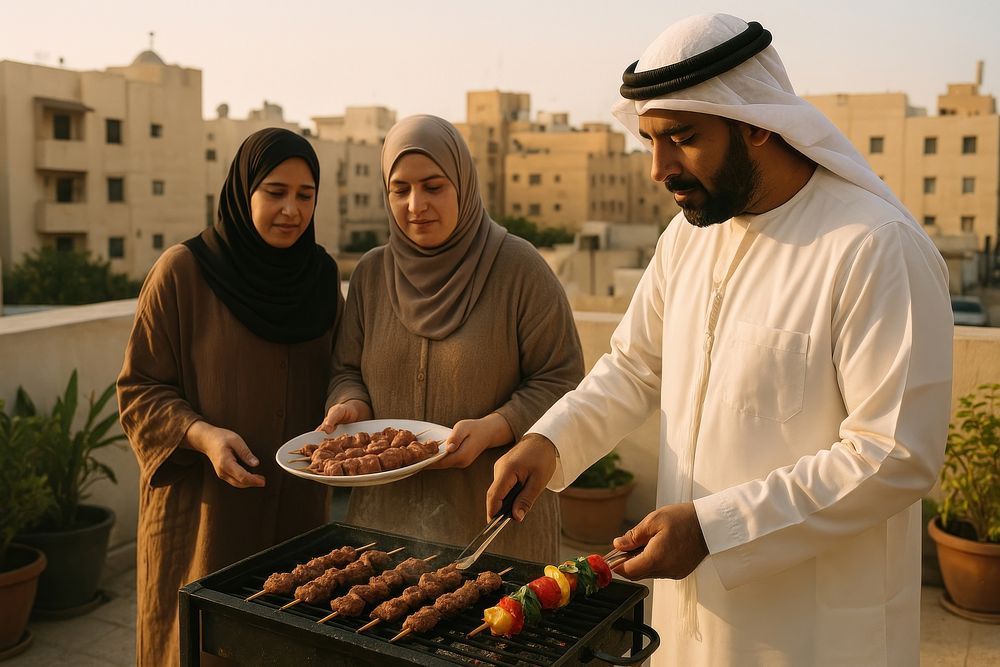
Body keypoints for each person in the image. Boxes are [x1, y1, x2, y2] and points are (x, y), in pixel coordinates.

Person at [487, 14, 953, 666]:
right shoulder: (688, 237)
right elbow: (636, 366)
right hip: (689, 623)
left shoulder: (872, 246)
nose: (658, 168)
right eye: (649, 140)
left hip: (813, 634)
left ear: (758, 121)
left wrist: (716, 528)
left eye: (682, 138)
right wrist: (550, 438)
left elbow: (897, 452)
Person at [117, 128, 343, 665]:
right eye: (275, 191)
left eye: (305, 195)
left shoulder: (321, 278)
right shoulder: (184, 272)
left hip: (297, 519)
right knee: (200, 649)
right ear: (244, 193)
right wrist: (203, 435)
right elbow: (139, 390)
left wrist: (345, 402)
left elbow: (341, 369)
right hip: (207, 523)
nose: (291, 209)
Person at [322, 114, 583, 564]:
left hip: (494, 530)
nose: (415, 204)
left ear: (462, 183)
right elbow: (347, 369)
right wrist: (352, 404)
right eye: (400, 189)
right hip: (385, 530)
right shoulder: (371, 274)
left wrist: (495, 428)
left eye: (433, 186)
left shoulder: (518, 269)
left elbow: (562, 380)